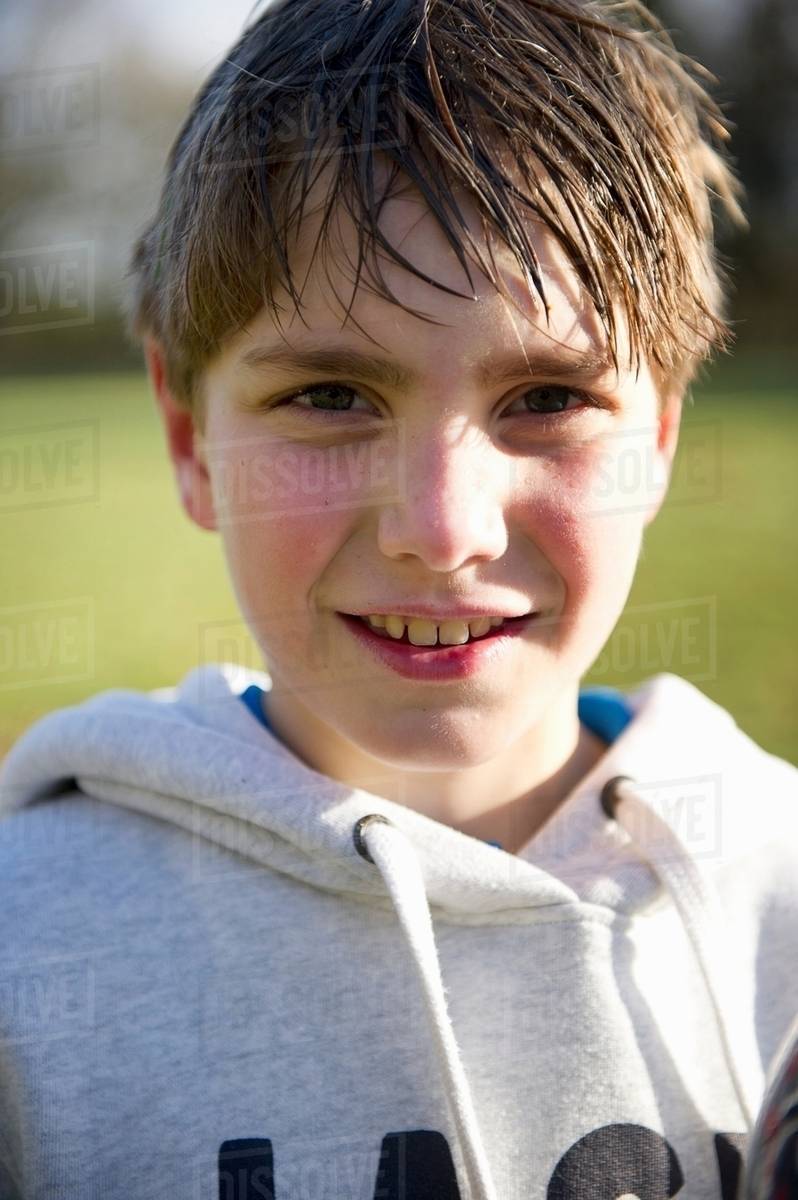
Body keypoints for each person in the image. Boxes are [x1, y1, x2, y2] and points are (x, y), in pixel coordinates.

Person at [1, 1, 796, 1197]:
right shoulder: (30, 947)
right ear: (188, 436)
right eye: (329, 395)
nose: (443, 529)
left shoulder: (776, 888)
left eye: (546, 398)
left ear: (663, 436)